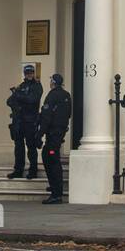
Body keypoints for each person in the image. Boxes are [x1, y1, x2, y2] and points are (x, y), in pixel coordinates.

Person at [35, 72, 72, 205]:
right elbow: (68, 114)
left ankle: (56, 193)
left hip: (53, 133)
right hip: (60, 132)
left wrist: (39, 135)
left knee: (51, 159)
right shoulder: (66, 95)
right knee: (51, 157)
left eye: (51, 80)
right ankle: (55, 187)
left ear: (54, 83)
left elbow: (46, 117)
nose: (50, 82)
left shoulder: (52, 96)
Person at [6, 64, 42, 179]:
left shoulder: (37, 86)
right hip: (19, 121)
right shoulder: (21, 86)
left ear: (33, 73)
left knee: (31, 146)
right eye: (27, 73)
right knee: (18, 147)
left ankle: (33, 170)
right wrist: (18, 97)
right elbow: (9, 101)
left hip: (30, 121)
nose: (29, 75)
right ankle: (18, 170)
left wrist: (18, 96)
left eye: (31, 72)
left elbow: (32, 100)